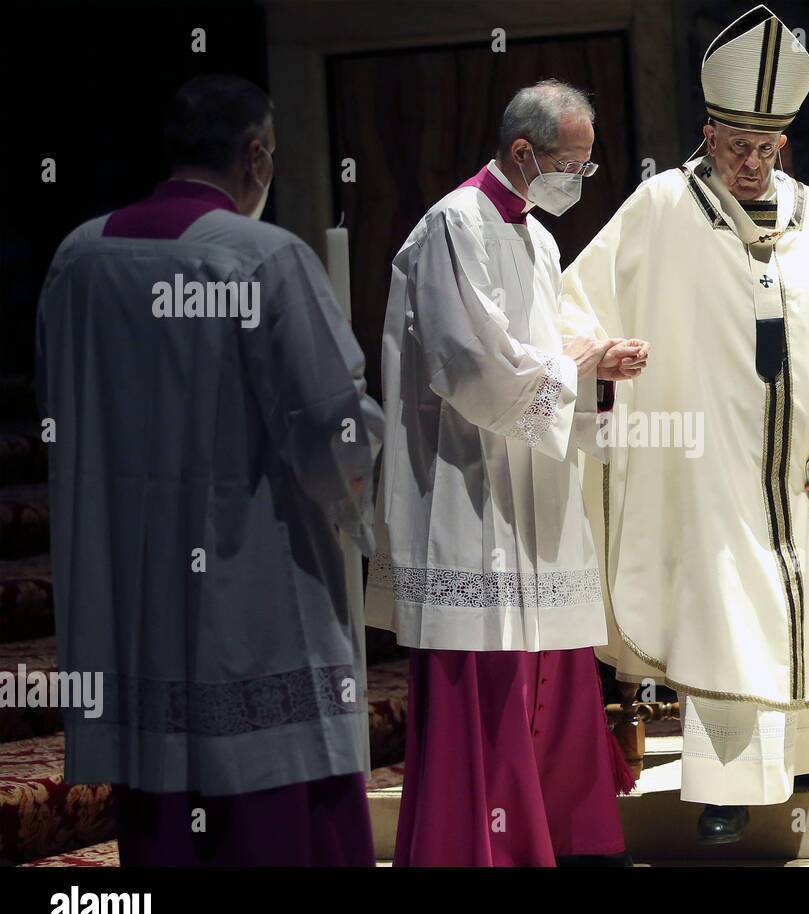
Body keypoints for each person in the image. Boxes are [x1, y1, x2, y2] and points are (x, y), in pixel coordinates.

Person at [559, 5, 809, 845]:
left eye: (767, 150)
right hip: (706, 465)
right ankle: (726, 785)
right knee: (725, 609)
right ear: (707, 135)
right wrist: (598, 354)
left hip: (807, 461)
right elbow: (573, 301)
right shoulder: (660, 206)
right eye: (736, 148)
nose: (752, 165)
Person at [35, 75, 382, 865]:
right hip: (253, 572)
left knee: (163, 799)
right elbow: (331, 426)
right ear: (256, 155)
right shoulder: (263, 259)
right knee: (275, 805)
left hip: (126, 573)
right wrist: (374, 471)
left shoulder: (80, 258)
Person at [364, 79, 646, 866]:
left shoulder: (538, 238)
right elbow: (471, 367)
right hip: (467, 487)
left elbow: (549, 349)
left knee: (552, 663)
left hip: (532, 487)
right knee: (484, 678)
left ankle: (566, 837)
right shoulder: (452, 227)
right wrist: (575, 367)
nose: (578, 184)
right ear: (524, 152)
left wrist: (598, 370)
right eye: (572, 167)